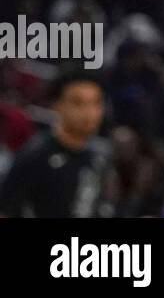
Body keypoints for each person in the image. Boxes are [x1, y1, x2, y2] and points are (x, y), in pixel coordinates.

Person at [0, 72, 113, 218]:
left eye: (96, 103)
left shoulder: (100, 159)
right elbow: (6, 209)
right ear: (57, 106)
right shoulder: (37, 154)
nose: (88, 112)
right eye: (78, 103)